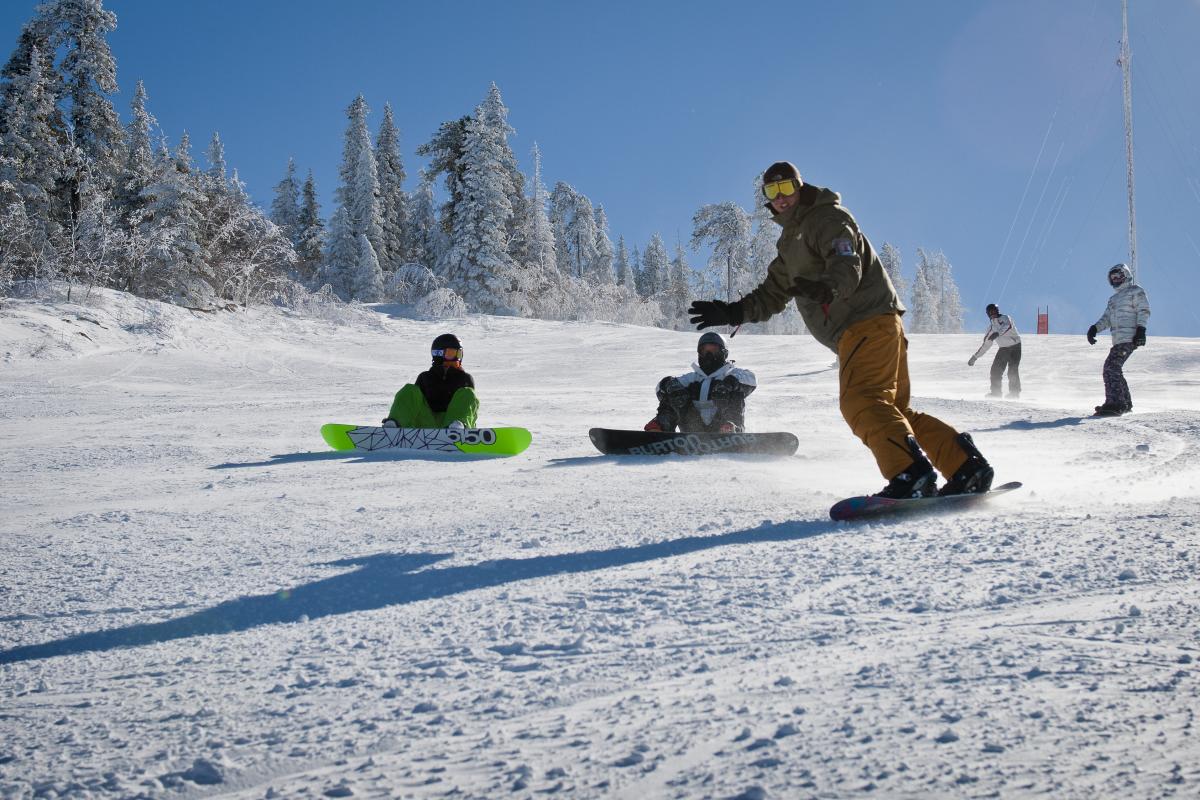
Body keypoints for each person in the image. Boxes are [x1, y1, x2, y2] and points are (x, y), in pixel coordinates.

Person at [688, 161, 993, 498]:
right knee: (894, 412)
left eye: (787, 187)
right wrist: (733, 310)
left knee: (861, 402)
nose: (781, 197)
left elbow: (847, 261)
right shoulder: (790, 244)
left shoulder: (826, 218)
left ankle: (910, 473)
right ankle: (966, 467)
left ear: (800, 187)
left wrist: (829, 287)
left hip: (865, 323)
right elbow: (771, 294)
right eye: (772, 192)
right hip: (875, 327)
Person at [644, 332, 757, 434]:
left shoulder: (731, 373)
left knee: (736, 391)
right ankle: (660, 428)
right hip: (693, 427)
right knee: (674, 391)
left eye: (713, 350)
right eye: (704, 350)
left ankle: (731, 428)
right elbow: (660, 390)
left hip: (721, 426)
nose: (708, 354)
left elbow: (751, 379)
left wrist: (729, 383)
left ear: (724, 353)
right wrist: (667, 384)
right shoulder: (691, 378)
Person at [1087, 263, 1150, 416]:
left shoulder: (1135, 291)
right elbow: (1107, 318)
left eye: (1118, 276)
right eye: (1112, 278)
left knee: (1111, 367)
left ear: (1126, 275)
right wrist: (1095, 328)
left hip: (1130, 338)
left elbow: (1144, 310)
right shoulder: (1113, 299)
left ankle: (1116, 403)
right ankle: (1125, 402)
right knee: (1114, 368)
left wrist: (1141, 330)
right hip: (1118, 340)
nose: (1116, 279)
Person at [383, 333, 479, 429]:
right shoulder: (425, 377)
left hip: (453, 426)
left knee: (468, 393)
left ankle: (458, 426)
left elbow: (470, 409)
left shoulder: (465, 378)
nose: (457, 358)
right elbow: (414, 404)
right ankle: (394, 425)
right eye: (452, 353)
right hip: (426, 428)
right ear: (438, 354)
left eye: (459, 353)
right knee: (410, 390)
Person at [969, 303, 1022, 399]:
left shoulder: (1005, 318)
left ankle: (1014, 393)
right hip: (1003, 349)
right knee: (995, 370)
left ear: (997, 311)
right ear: (988, 314)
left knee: (1012, 370)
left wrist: (998, 333)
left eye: (994, 311)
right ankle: (996, 393)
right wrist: (975, 357)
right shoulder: (990, 329)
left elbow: (1008, 326)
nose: (993, 313)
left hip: (1015, 346)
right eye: (990, 312)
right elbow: (986, 345)